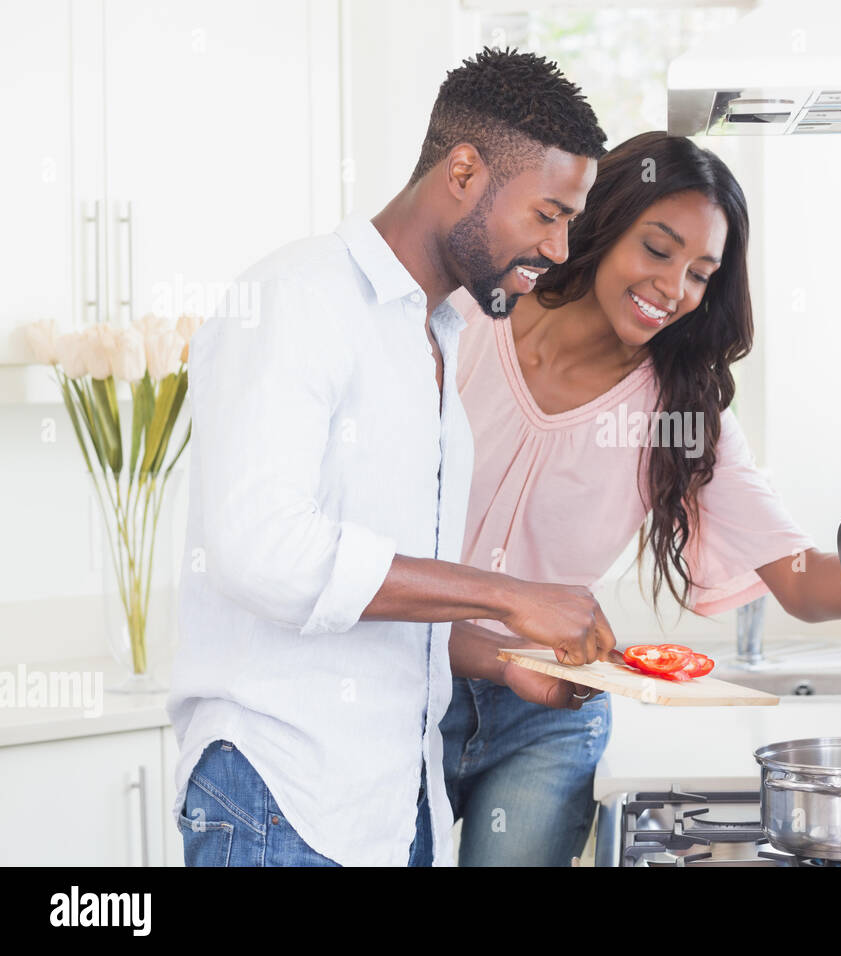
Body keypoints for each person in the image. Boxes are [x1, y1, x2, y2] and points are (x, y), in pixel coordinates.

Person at [439, 131, 841, 866]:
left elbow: (796, 580)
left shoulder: (682, 412)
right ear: (602, 220)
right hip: (403, 677)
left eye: (700, 273)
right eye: (657, 250)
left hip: (549, 705)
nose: (674, 288)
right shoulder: (467, 318)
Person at [166, 48, 613, 867]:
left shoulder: (438, 337)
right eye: (548, 213)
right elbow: (263, 552)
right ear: (465, 172)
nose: (558, 248)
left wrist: (507, 662)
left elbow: (378, 609)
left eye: (570, 223)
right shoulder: (298, 299)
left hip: (394, 807)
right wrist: (513, 598)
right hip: (278, 801)